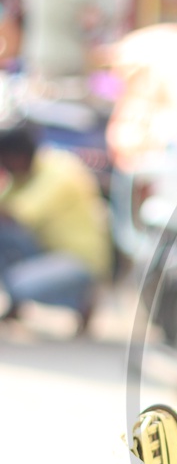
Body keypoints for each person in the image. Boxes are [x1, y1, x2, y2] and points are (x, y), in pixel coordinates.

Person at [0, 120, 110, 329]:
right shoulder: (24, 173)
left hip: (79, 260)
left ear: (16, 157)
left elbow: (16, 214)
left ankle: (81, 301)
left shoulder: (59, 172)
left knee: (19, 285)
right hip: (47, 251)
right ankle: (17, 305)